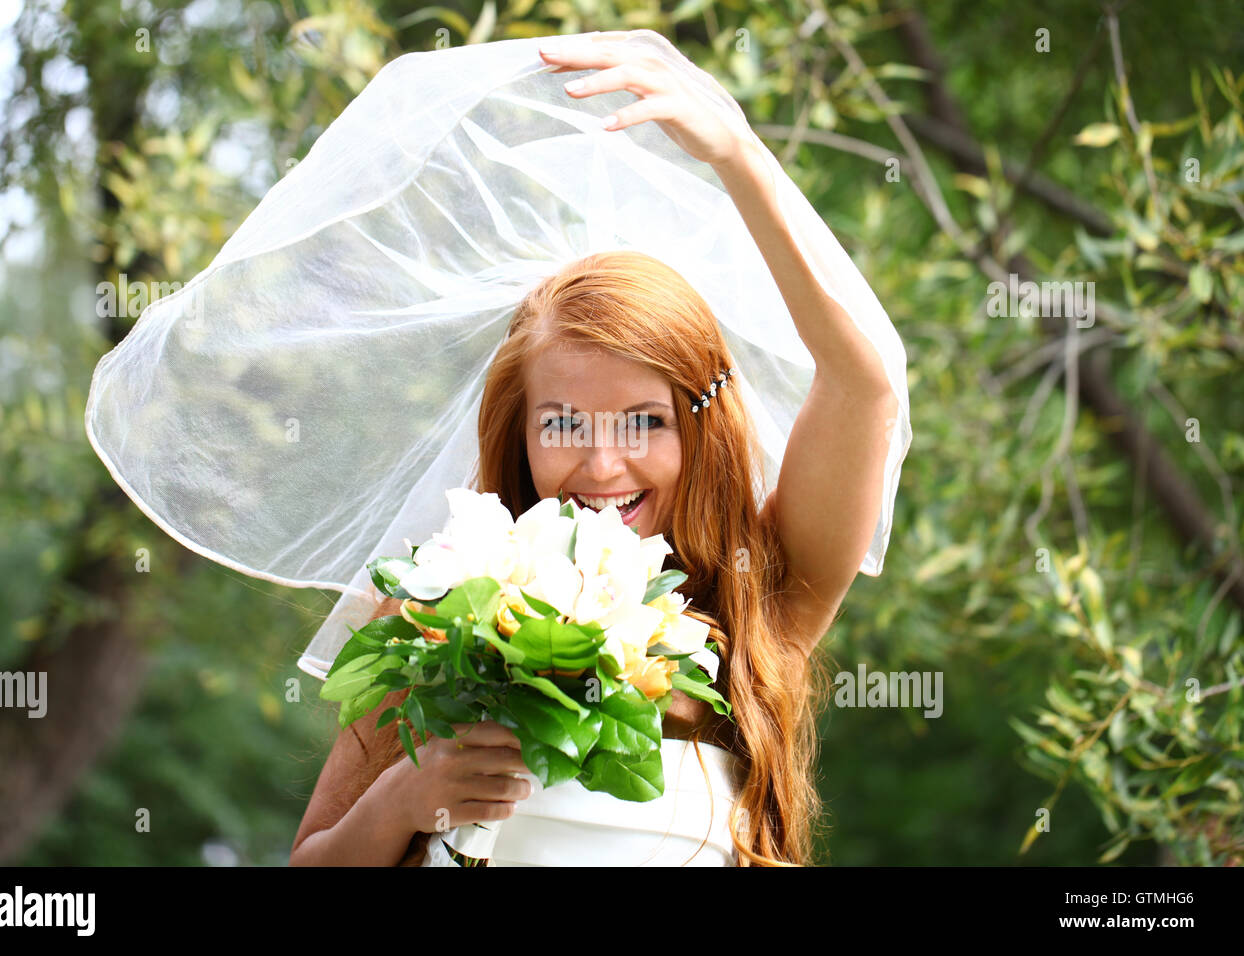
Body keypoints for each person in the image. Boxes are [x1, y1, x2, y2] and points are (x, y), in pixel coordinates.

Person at [291, 28, 898, 865]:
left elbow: (863, 386)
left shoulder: (764, 608)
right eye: (564, 424)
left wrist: (738, 156)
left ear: (700, 423)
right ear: (522, 432)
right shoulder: (437, 616)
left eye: (645, 421)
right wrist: (401, 800)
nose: (603, 466)